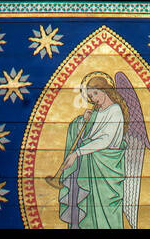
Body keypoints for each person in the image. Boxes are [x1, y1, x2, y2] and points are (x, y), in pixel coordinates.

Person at [54, 74, 129, 229]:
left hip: (106, 172)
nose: (93, 98)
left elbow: (105, 140)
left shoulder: (115, 110)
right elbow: (87, 136)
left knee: (106, 214)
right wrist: (83, 120)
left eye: (95, 93)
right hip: (89, 171)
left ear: (104, 90)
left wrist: (77, 153)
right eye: (90, 96)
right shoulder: (96, 113)